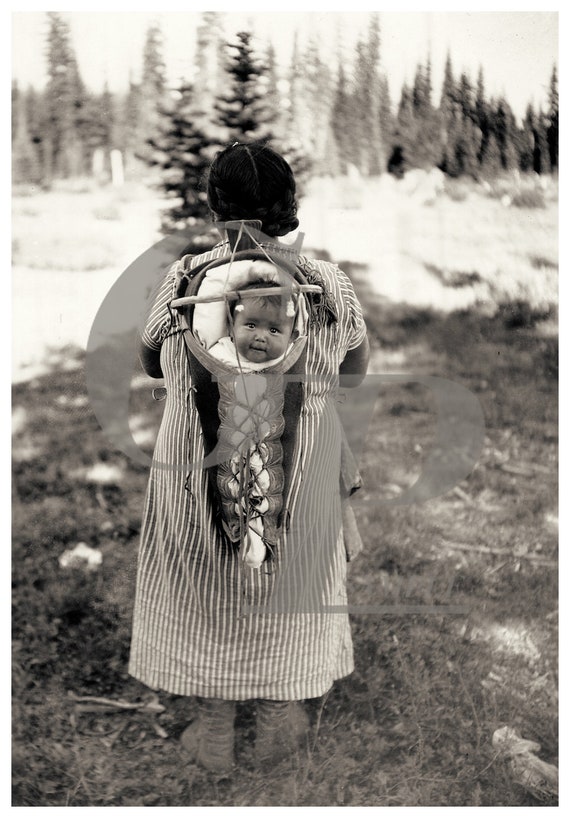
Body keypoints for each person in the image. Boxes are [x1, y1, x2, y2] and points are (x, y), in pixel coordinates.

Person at [129, 141, 370, 774]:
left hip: (197, 462)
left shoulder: (183, 281)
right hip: (298, 462)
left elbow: (151, 358)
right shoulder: (327, 283)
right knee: (292, 580)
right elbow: (354, 369)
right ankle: (277, 719)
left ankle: (214, 727)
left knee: (206, 582)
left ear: (216, 208)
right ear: (290, 205)